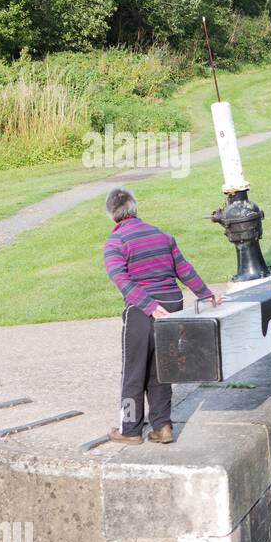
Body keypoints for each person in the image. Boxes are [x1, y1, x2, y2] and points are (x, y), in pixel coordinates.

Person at [102, 188, 222, 445]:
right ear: (135, 208)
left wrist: (147, 304)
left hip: (142, 312)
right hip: (173, 305)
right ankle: (162, 426)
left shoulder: (115, 242)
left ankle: (130, 429)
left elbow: (120, 279)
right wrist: (207, 295)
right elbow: (185, 270)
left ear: (112, 214)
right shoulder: (162, 236)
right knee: (162, 369)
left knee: (133, 372)